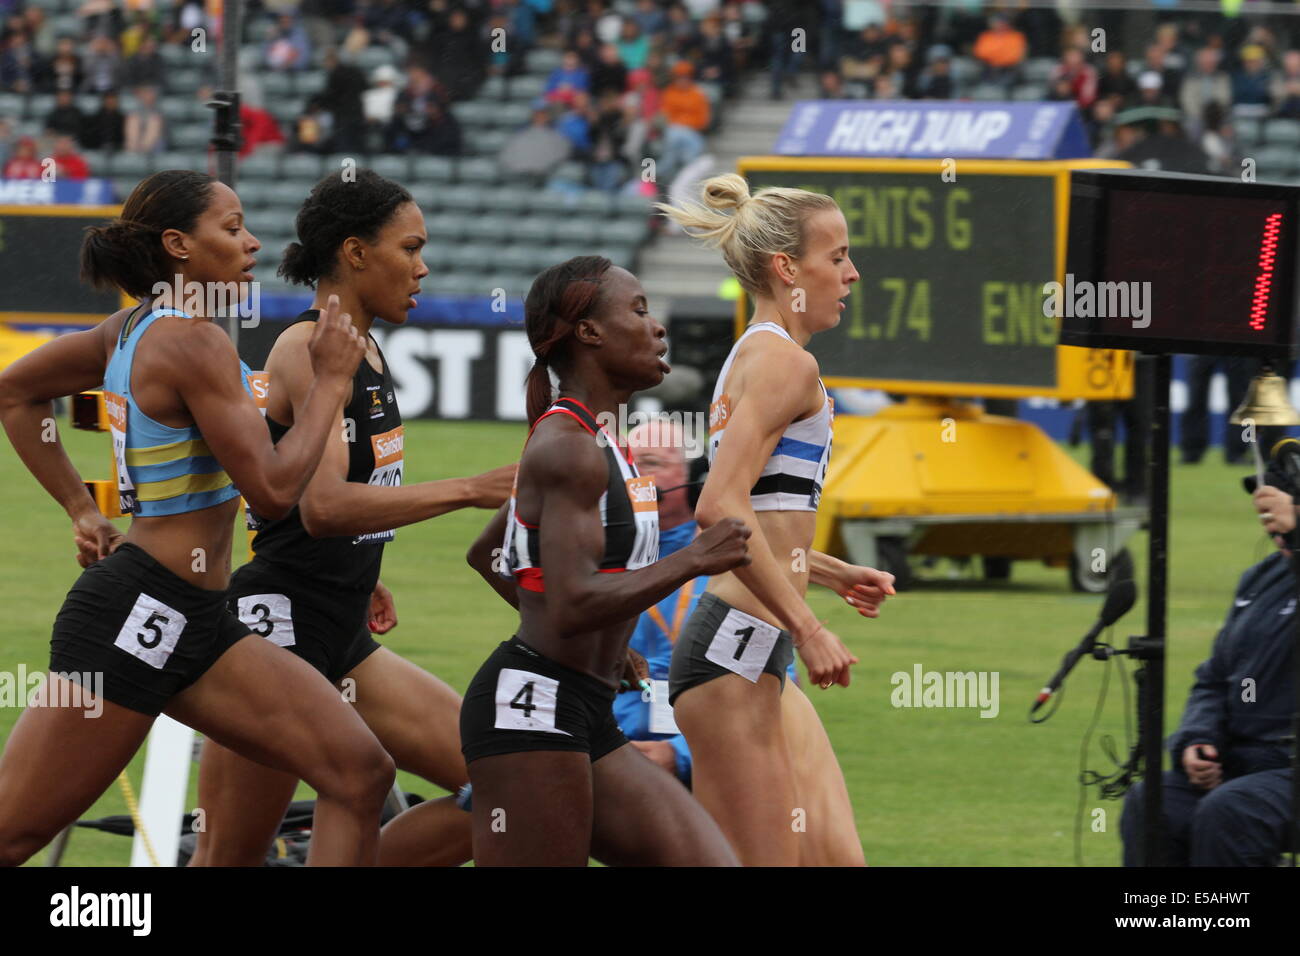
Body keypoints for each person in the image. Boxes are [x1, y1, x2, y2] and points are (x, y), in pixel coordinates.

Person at [0, 170, 396, 866]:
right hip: (137, 614)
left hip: (203, 622)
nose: (253, 242)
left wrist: (83, 511)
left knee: (359, 772)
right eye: (233, 227)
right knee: (14, 835)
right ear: (179, 245)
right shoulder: (191, 340)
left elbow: (15, 392)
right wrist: (332, 380)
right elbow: (274, 493)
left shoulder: (131, 328)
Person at [189, 171, 515, 868]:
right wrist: (470, 488)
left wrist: (367, 564)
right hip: (277, 634)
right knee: (229, 854)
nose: (423, 267)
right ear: (357, 253)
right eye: (411, 247)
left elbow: (346, 502)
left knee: (501, 785)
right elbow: (326, 505)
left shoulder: (363, 346)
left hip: (341, 630)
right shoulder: (312, 349)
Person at [461, 255, 748, 866]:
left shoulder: (601, 440)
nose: (657, 327)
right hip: (535, 707)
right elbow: (569, 603)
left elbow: (490, 554)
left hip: (585, 705)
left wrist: (610, 646)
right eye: (639, 311)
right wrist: (694, 559)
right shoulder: (568, 447)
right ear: (590, 333)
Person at [659, 174, 896, 866]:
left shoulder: (759, 353)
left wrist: (823, 569)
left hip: (755, 651)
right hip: (733, 655)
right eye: (837, 257)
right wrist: (811, 626)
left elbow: (753, 515)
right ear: (786, 269)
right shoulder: (783, 363)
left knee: (835, 859)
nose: (851, 273)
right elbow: (716, 508)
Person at [1120, 475, 1297, 866]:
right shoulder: (1259, 579)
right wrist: (1198, 741)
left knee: (1231, 810)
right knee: (1152, 802)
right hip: (1249, 763)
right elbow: (1215, 677)